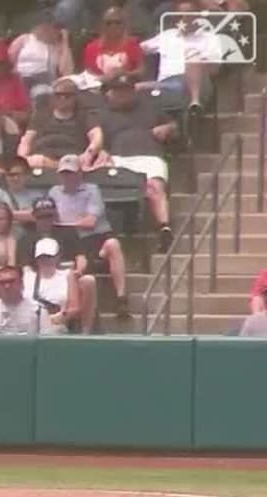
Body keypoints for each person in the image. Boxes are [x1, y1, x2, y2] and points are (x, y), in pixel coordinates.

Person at [92, 72, 176, 246]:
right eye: (119, 91)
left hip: (149, 155)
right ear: (112, 93)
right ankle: (105, 232)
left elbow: (174, 126)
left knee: (154, 187)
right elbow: (98, 140)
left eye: (127, 90)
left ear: (133, 91)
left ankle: (164, 227)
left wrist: (167, 128)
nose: (123, 94)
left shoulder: (150, 107)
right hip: (118, 158)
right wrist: (103, 152)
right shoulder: (103, 114)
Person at [46, 154, 126, 317]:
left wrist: (62, 225)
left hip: (93, 237)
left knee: (113, 244)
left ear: (80, 173)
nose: (67, 177)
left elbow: (90, 222)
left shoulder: (92, 190)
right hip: (68, 239)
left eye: (71, 173)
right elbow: (48, 216)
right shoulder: (54, 192)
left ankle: (122, 298)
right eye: (64, 173)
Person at [141, 0, 223, 114]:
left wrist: (199, 64)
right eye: (181, 15)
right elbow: (140, 49)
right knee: (137, 88)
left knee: (193, 59)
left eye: (189, 14)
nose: (185, 18)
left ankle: (194, 103)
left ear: (198, 15)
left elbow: (215, 70)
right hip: (165, 85)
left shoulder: (209, 38)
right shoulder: (167, 36)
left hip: (195, 85)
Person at [17, 76, 101, 171]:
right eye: (58, 95)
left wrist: (88, 154)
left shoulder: (85, 116)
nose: (62, 98)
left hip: (72, 157)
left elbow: (97, 137)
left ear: (75, 97)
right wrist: (23, 159)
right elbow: (27, 139)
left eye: (67, 95)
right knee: (35, 161)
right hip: (42, 156)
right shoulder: (41, 116)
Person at [9, 10, 74, 103]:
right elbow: (9, 60)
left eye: (57, 28)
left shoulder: (58, 47)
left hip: (44, 83)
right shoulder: (24, 39)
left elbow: (67, 72)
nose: (54, 31)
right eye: (53, 27)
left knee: (41, 92)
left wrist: (65, 42)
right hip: (20, 79)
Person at [22, 236, 79, 334]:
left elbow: (75, 308)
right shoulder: (27, 275)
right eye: (42, 257)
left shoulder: (67, 275)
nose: (45, 260)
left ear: (58, 256)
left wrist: (61, 316)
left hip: (56, 324)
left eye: (49, 257)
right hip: (28, 323)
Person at [0, 264, 46, 334]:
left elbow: (48, 343)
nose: (7, 286)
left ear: (21, 284)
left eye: (12, 281)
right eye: (2, 283)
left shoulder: (38, 311)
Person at [83, 7, 144, 84]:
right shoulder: (91, 47)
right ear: (102, 25)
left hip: (125, 86)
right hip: (98, 86)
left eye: (117, 22)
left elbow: (141, 71)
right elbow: (88, 73)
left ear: (124, 25)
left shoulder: (133, 44)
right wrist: (102, 78)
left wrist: (125, 73)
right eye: (108, 23)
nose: (113, 26)